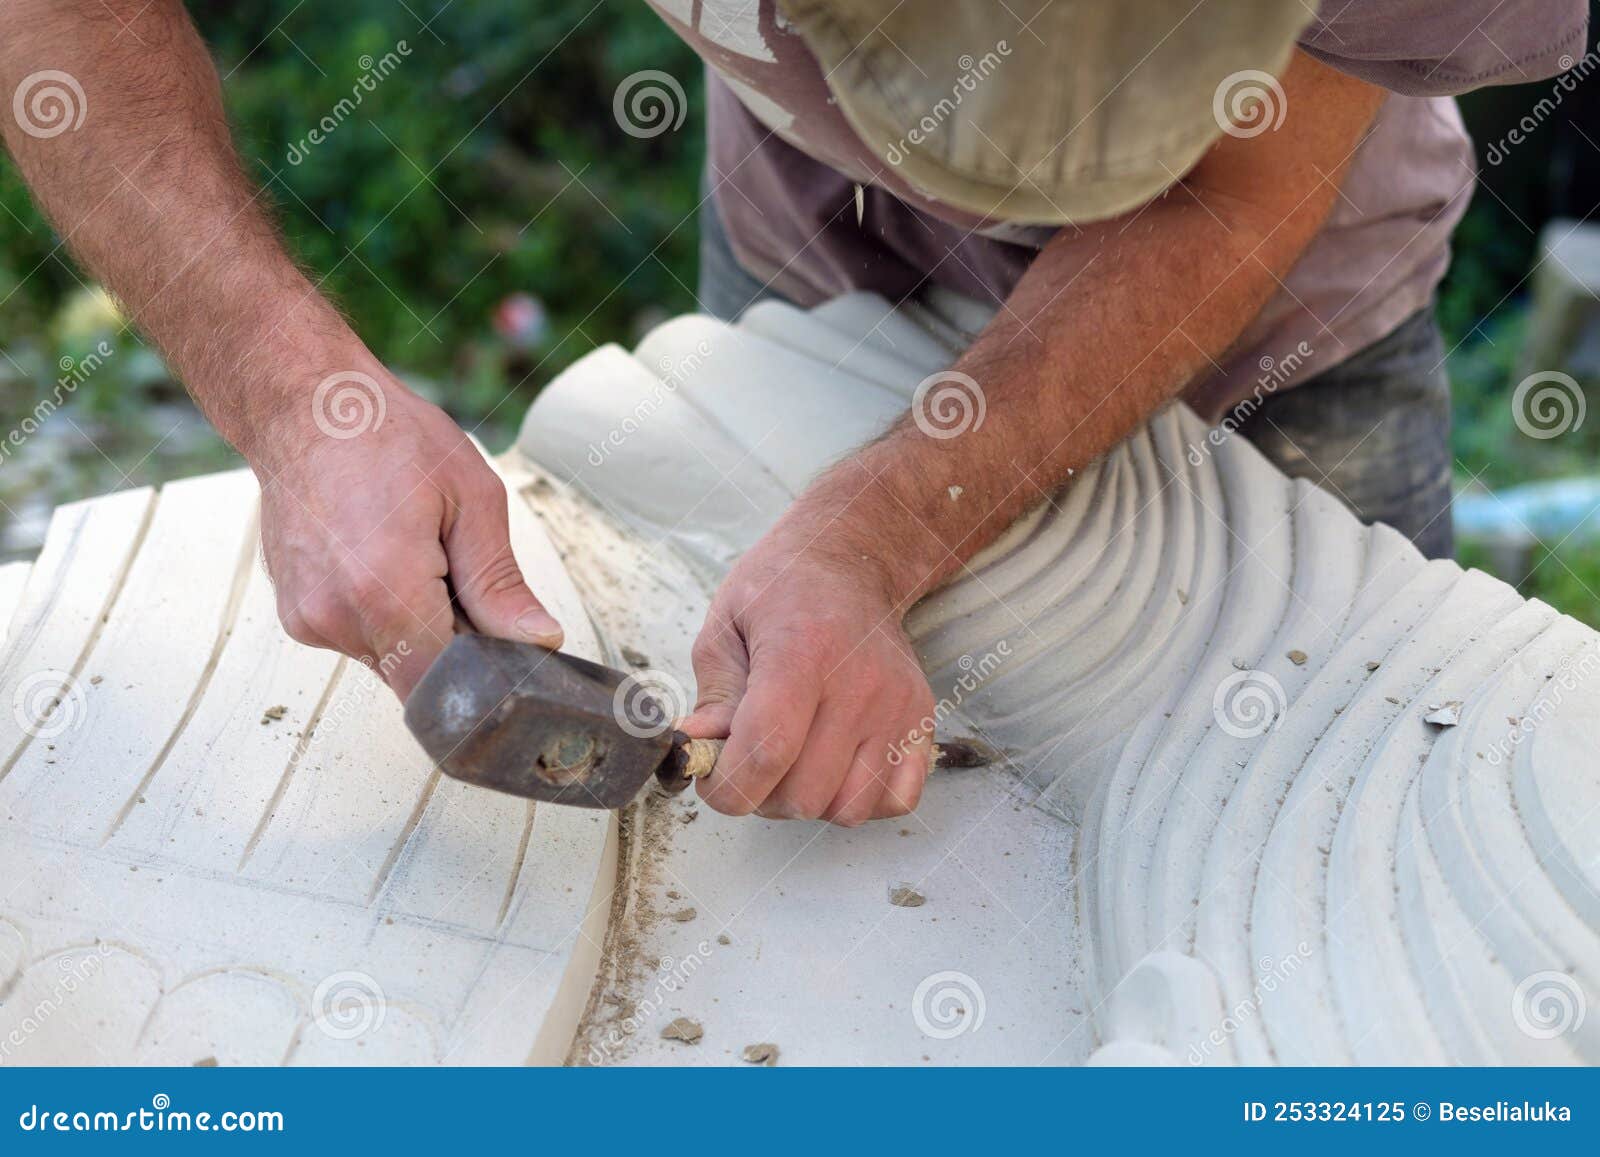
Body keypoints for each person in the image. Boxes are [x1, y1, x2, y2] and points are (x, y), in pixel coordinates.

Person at [0, 1, 1585, 827]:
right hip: (810, 250)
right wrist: (295, 395)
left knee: (1315, 839)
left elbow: (1235, 191)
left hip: (1268, 347)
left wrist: (880, 525)